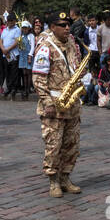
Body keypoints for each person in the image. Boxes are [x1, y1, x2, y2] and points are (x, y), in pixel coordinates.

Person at [31, 11, 85, 197]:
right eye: (62, 25)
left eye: (68, 24)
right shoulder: (45, 47)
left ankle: (66, 177)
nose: (67, 28)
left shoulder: (72, 45)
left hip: (72, 103)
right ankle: (53, 180)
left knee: (72, 144)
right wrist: (47, 102)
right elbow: (38, 79)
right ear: (52, 27)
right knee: (54, 144)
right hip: (54, 103)